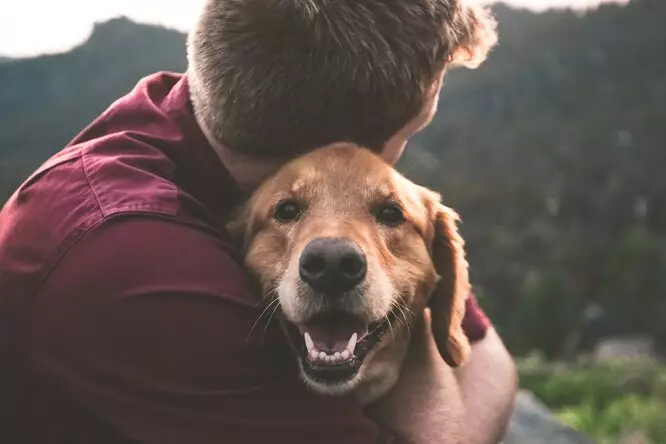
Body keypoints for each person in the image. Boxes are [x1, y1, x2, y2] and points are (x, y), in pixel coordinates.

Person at [0, 0, 517, 443]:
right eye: (417, 124)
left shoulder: (212, 119)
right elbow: (477, 370)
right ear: (342, 143)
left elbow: (486, 350)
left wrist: (419, 313)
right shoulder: (132, 261)